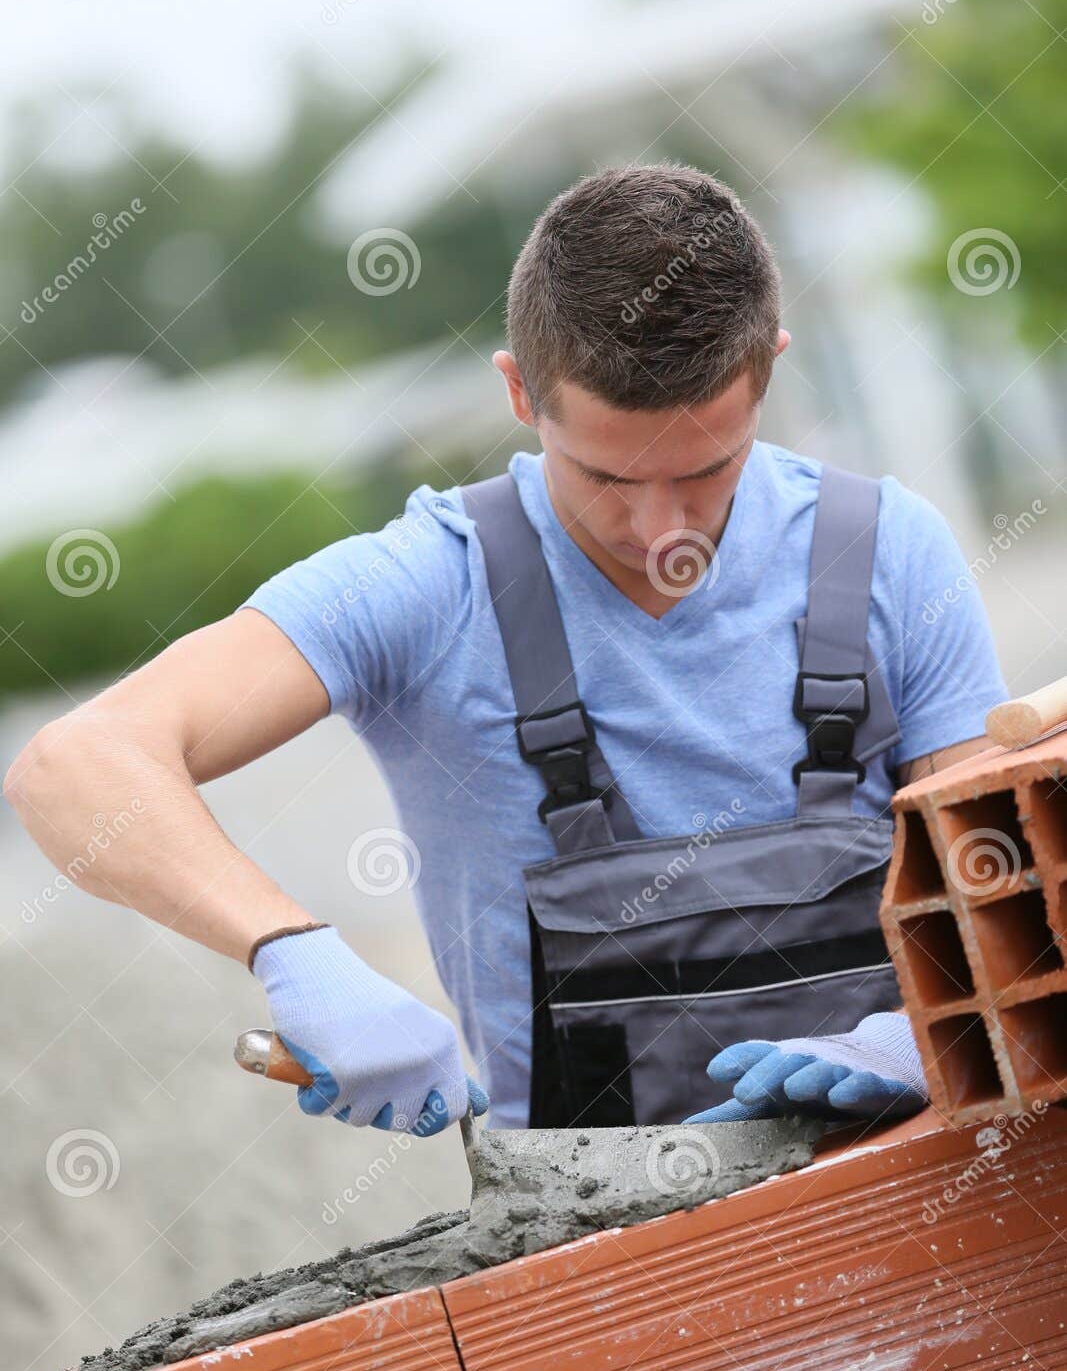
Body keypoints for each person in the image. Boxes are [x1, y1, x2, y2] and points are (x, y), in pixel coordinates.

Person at [5, 163, 1007, 1136]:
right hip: (592, 1243)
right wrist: (292, 953)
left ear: (769, 366)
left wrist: (918, 1040)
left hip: (923, 1168)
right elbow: (71, 768)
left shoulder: (885, 553)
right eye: (608, 476)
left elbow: (990, 887)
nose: (663, 530)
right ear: (519, 393)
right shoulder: (427, 585)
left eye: (706, 469)